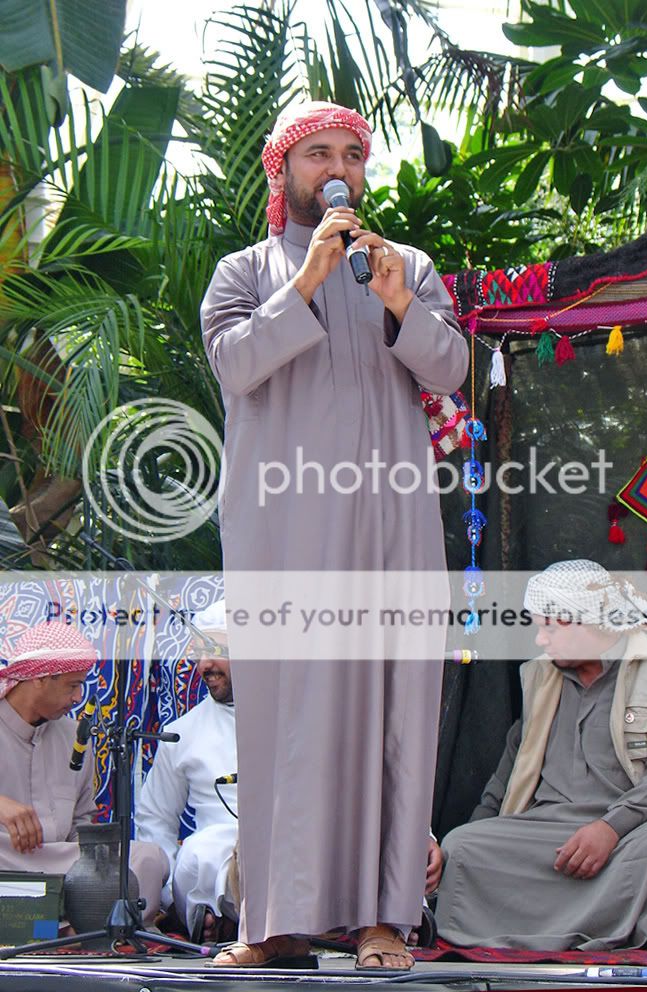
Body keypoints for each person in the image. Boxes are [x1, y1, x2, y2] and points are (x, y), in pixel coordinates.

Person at [200, 101, 469, 969]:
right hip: (285, 532)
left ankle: (383, 920)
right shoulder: (243, 272)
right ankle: (272, 926)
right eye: (317, 153)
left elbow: (453, 370)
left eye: (350, 152)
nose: (337, 165)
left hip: (390, 525)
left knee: (397, 712)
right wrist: (305, 283)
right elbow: (237, 365)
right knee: (286, 719)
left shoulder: (407, 267)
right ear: (283, 174)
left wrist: (397, 301)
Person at [435, 559, 647, 951]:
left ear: (589, 621)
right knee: (463, 846)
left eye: (549, 626)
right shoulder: (542, 680)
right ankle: (589, 931)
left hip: (637, 829)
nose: (541, 640)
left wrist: (610, 828)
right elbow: (509, 774)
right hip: (548, 829)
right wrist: (461, 840)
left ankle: (599, 933)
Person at [0, 621, 168, 925]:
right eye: (72, 686)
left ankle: (76, 923)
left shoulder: (74, 736)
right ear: (39, 679)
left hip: (60, 863)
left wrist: (98, 859)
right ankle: (68, 923)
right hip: (5, 860)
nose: (79, 698)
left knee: (145, 858)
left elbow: (81, 822)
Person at [135, 599, 239, 943]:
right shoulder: (182, 732)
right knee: (199, 852)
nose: (204, 665)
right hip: (210, 864)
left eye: (217, 650)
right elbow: (155, 820)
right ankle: (217, 922)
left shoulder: (301, 720)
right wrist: (167, 897)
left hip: (291, 854)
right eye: (199, 652)